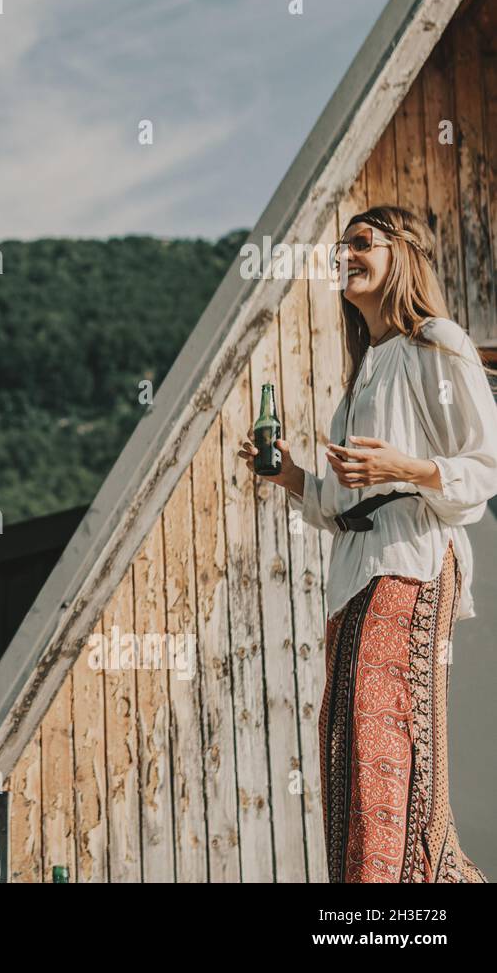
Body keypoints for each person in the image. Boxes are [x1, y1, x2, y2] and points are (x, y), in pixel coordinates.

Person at [239, 204, 497, 883]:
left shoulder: (437, 343)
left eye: (361, 242)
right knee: (349, 750)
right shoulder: (363, 373)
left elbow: (485, 463)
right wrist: (292, 475)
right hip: (356, 573)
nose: (345, 255)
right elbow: (346, 502)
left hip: (409, 563)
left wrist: (405, 468)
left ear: (402, 252)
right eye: (340, 248)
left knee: (390, 749)